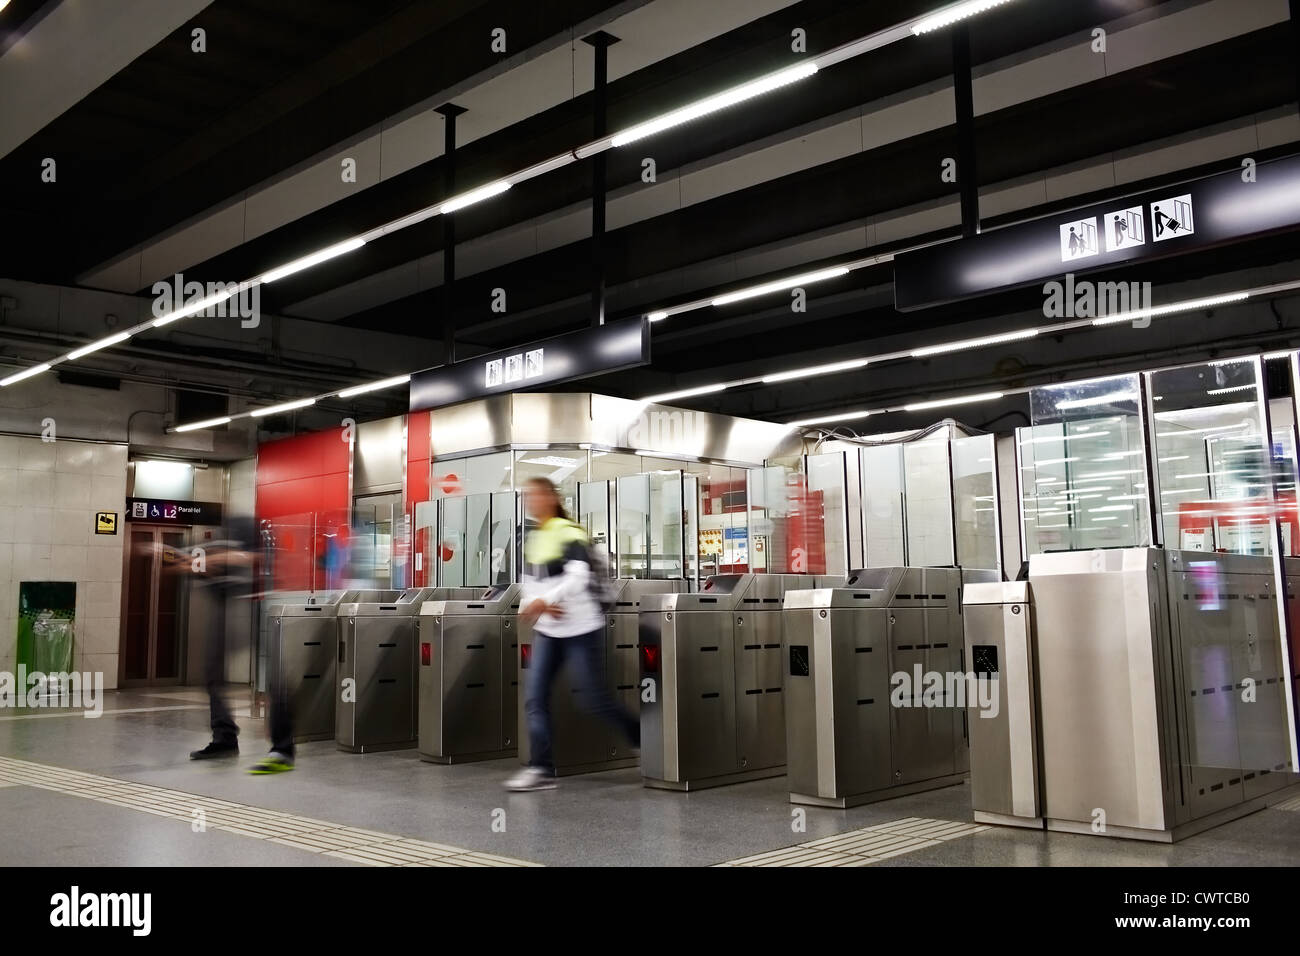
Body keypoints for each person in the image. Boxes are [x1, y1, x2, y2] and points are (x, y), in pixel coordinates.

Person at [505, 477, 638, 791]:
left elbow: (578, 577)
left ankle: (642, 738)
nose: (530, 501)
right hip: (549, 632)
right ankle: (541, 769)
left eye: (536, 495)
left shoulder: (570, 532)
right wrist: (534, 603)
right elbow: (529, 584)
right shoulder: (534, 537)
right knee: (535, 698)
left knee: (592, 699)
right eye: (527, 497)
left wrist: (545, 601)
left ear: (552, 498)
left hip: (581, 628)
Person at [187, 516, 295, 774]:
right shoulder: (224, 530)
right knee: (212, 674)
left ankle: (283, 747)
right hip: (226, 606)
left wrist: (218, 559)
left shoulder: (247, 525)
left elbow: (251, 558)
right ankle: (224, 738)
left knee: (274, 677)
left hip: (254, 605)